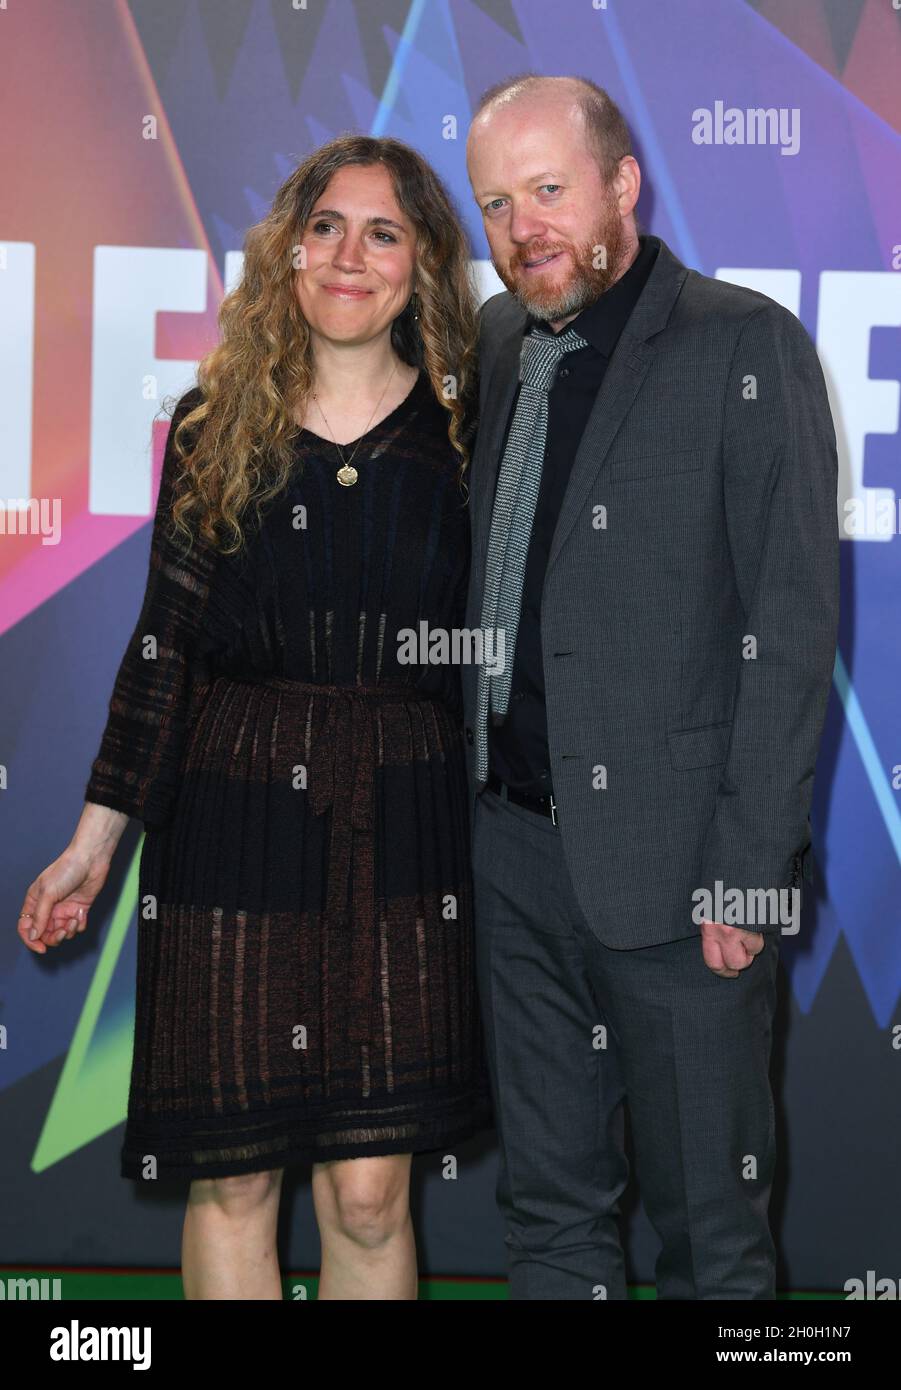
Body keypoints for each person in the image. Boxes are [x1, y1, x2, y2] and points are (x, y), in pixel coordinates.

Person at [17, 134, 490, 1301]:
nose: (348, 254)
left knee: (371, 1191)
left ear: (422, 263)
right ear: (287, 249)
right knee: (232, 1180)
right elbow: (160, 650)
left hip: (401, 827)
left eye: (383, 232)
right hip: (232, 820)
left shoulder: (471, 436)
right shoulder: (209, 425)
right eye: (325, 225)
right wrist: (93, 845)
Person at [463, 73, 839, 1299]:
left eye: (551, 191)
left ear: (623, 185)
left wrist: (749, 865)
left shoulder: (744, 345)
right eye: (497, 203)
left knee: (710, 1241)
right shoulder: (497, 343)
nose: (526, 228)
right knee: (549, 1219)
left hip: (688, 881)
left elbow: (789, 627)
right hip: (514, 862)